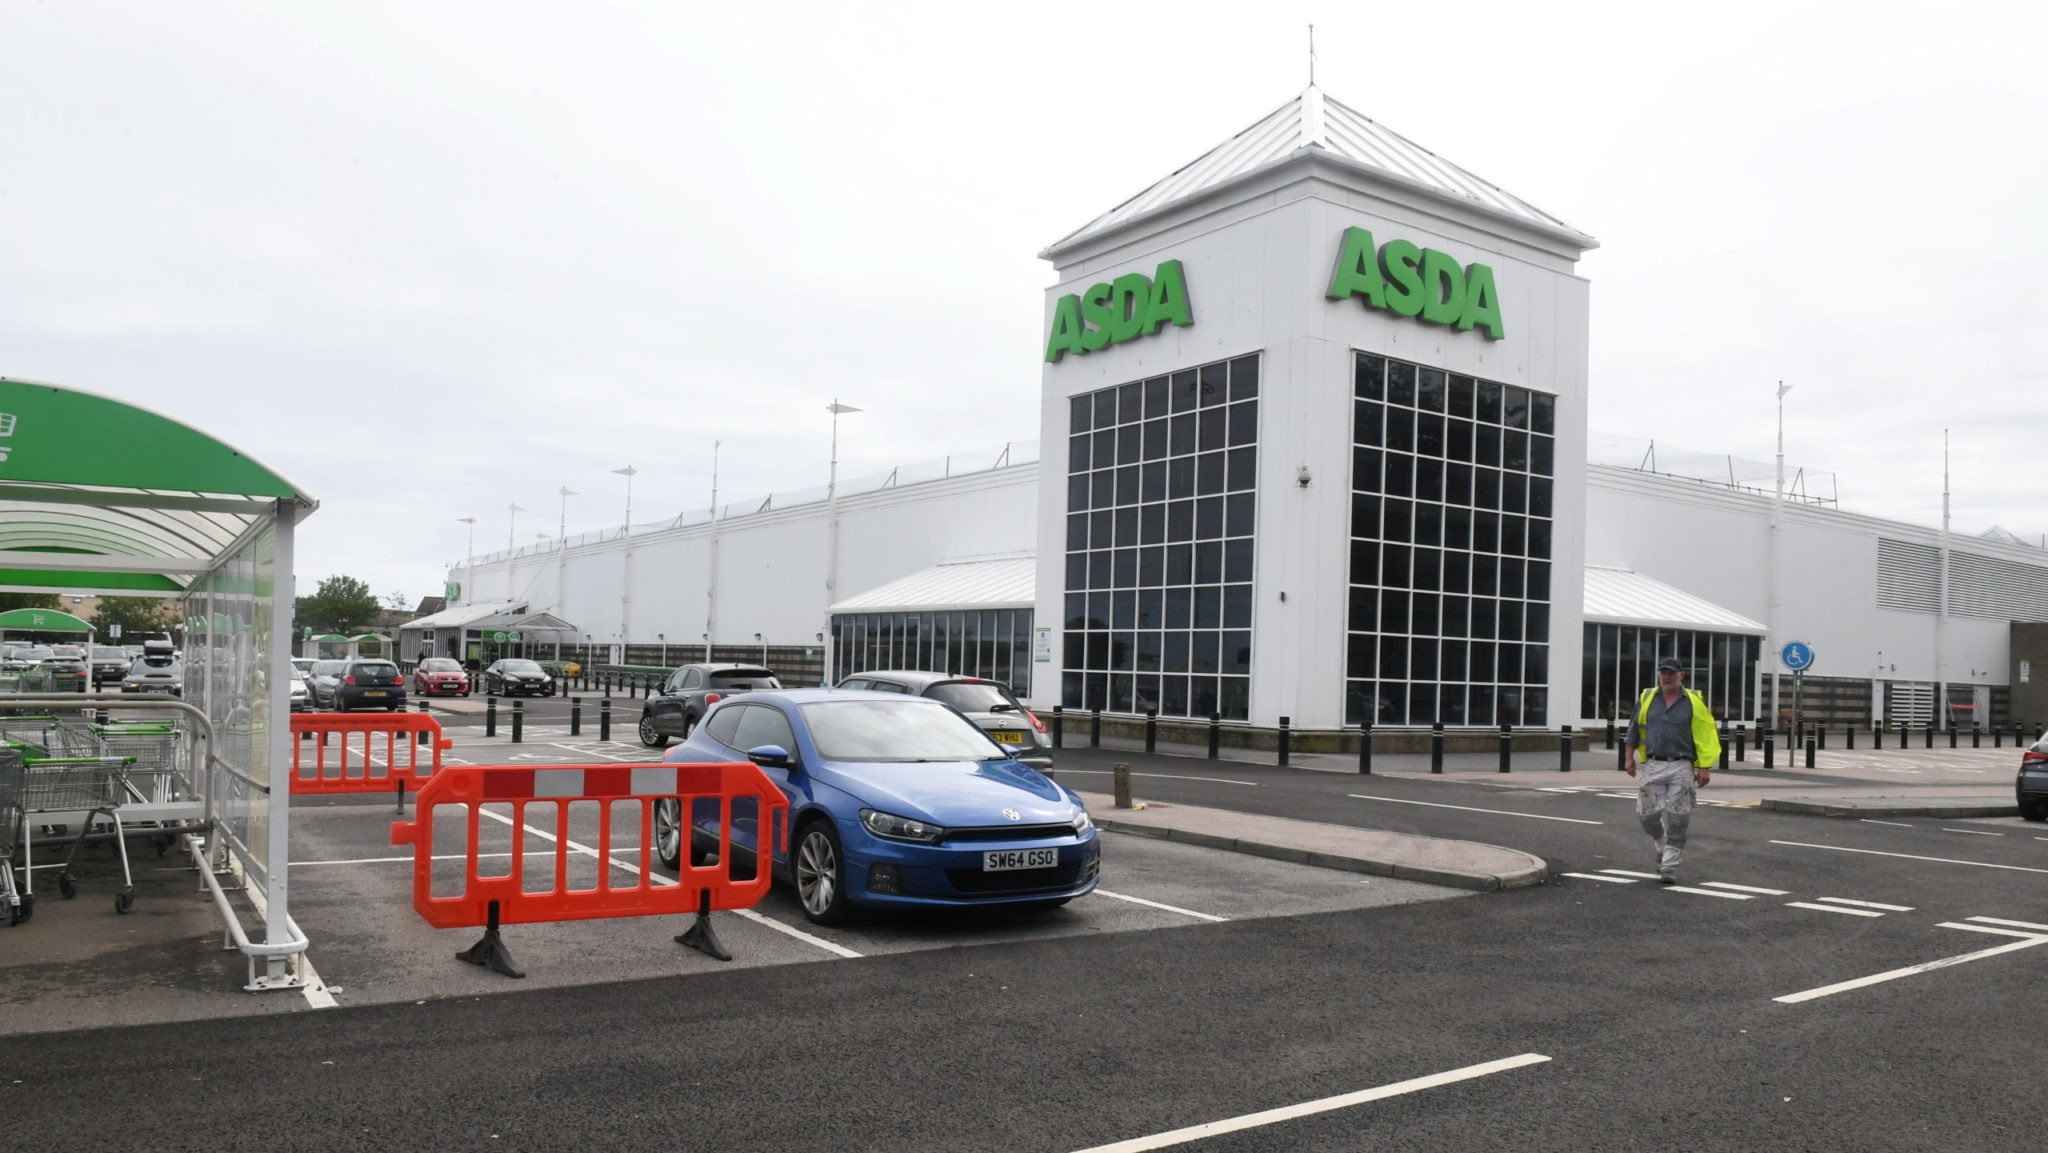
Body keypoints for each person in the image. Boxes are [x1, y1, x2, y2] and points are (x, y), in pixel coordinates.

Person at [1623, 656, 1721, 883]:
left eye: (1671, 673)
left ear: (1681, 676)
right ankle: (1660, 843)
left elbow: (1706, 736)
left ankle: (1669, 865)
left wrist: (1704, 767)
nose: (1666, 676)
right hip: (1654, 764)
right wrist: (1629, 757)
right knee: (1646, 815)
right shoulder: (1647, 697)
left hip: (1682, 765)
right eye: (1663, 672)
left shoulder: (1694, 702)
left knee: (1679, 817)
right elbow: (1634, 728)